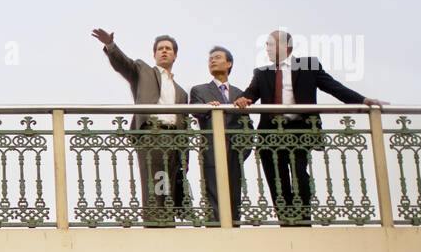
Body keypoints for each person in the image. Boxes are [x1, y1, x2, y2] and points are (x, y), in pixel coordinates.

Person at [234, 30, 385, 226]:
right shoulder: (262, 73)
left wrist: (363, 100)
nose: (267, 49)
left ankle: (303, 221)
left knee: (299, 174)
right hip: (270, 134)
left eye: (270, 44)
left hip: (299, 130)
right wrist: (243, 99)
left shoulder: (308, 66)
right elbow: (250, 95)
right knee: (276, 180)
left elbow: (334, 87)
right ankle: (286, 222)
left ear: (285, 45)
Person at [91, 28, 188, 227]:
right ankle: (154, 225)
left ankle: (168, 224)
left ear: (175, 55)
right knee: (153, 183)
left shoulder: (181, 92)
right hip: (151, 134)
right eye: (160, 49)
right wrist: (110, 46)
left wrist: (184, 154)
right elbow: (123, 65)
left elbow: (184, 123)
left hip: (174, 140)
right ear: (154, 54)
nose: (164, 51)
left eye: (168, 49)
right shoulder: (143, 71)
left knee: (168, 185)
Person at [189, 46, 253, 225]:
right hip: (212, 151)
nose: (212, 61)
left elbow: (248, 126)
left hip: (234, 153)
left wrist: (243, 151)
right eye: (210, 59)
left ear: (229, 63)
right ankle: (216, 230)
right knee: (213, 194)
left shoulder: (239, 93)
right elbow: (196, 111)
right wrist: (208, 107)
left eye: (217, 57)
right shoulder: (199, 90)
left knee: (234, 195)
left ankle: (234, 229)